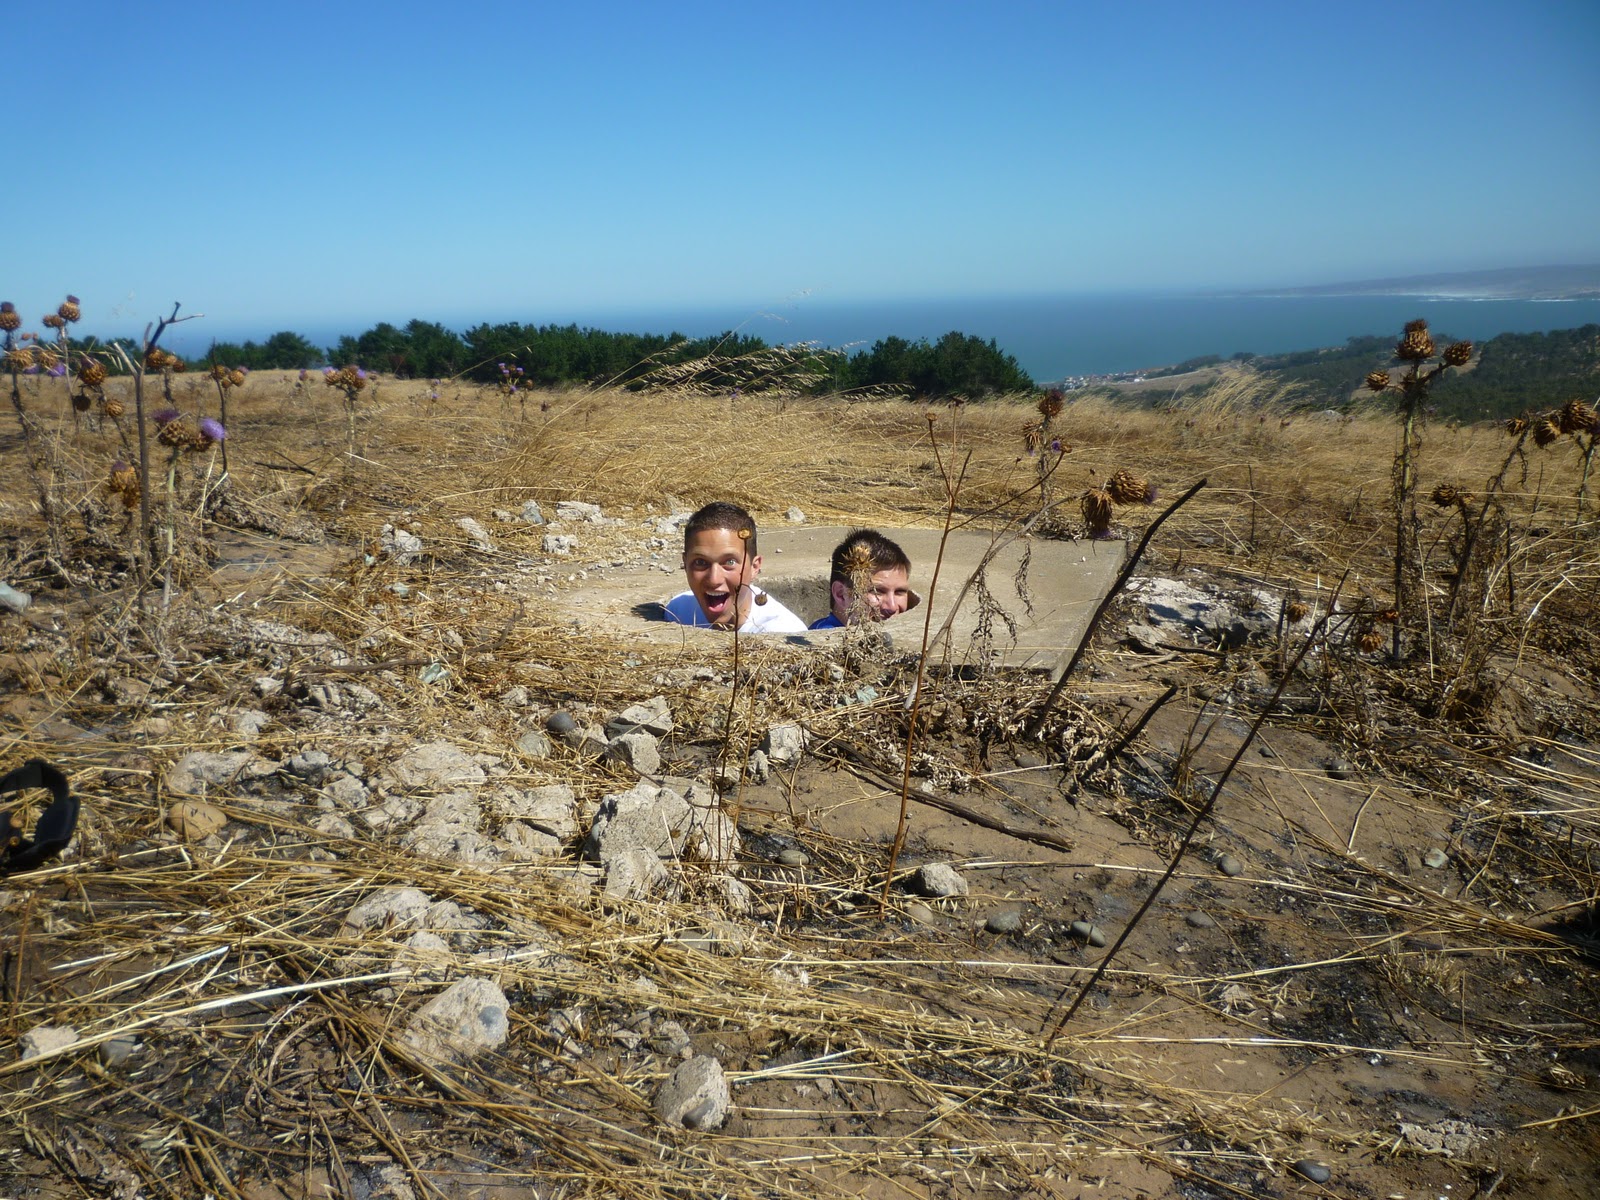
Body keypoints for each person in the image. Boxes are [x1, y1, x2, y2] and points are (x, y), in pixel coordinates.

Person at [663, 502, 808, 634]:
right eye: (700, 562)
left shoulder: (782, 632)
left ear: (755, 567)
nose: (714, 579)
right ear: (685, 564)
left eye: (730, 562)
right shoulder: (678, 612)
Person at [809, 529, 917, 629]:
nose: (892, 607)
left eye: (899, 592)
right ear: (841, 594)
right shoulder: (825, 643)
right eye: (877, 591)